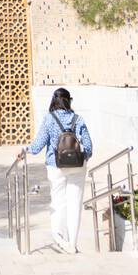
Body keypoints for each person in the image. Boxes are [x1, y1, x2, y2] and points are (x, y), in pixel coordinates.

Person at [22, 88, 92, 254]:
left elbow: (38, 145)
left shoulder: (49, 119)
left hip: (56, 166)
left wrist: (24, 150)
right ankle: (72, 243)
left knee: (58, 202)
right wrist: (82, 159)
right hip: (77, 167)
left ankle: (59, 237)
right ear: (69, 101)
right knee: (75, 204)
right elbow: (88, 147)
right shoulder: (78, 119)